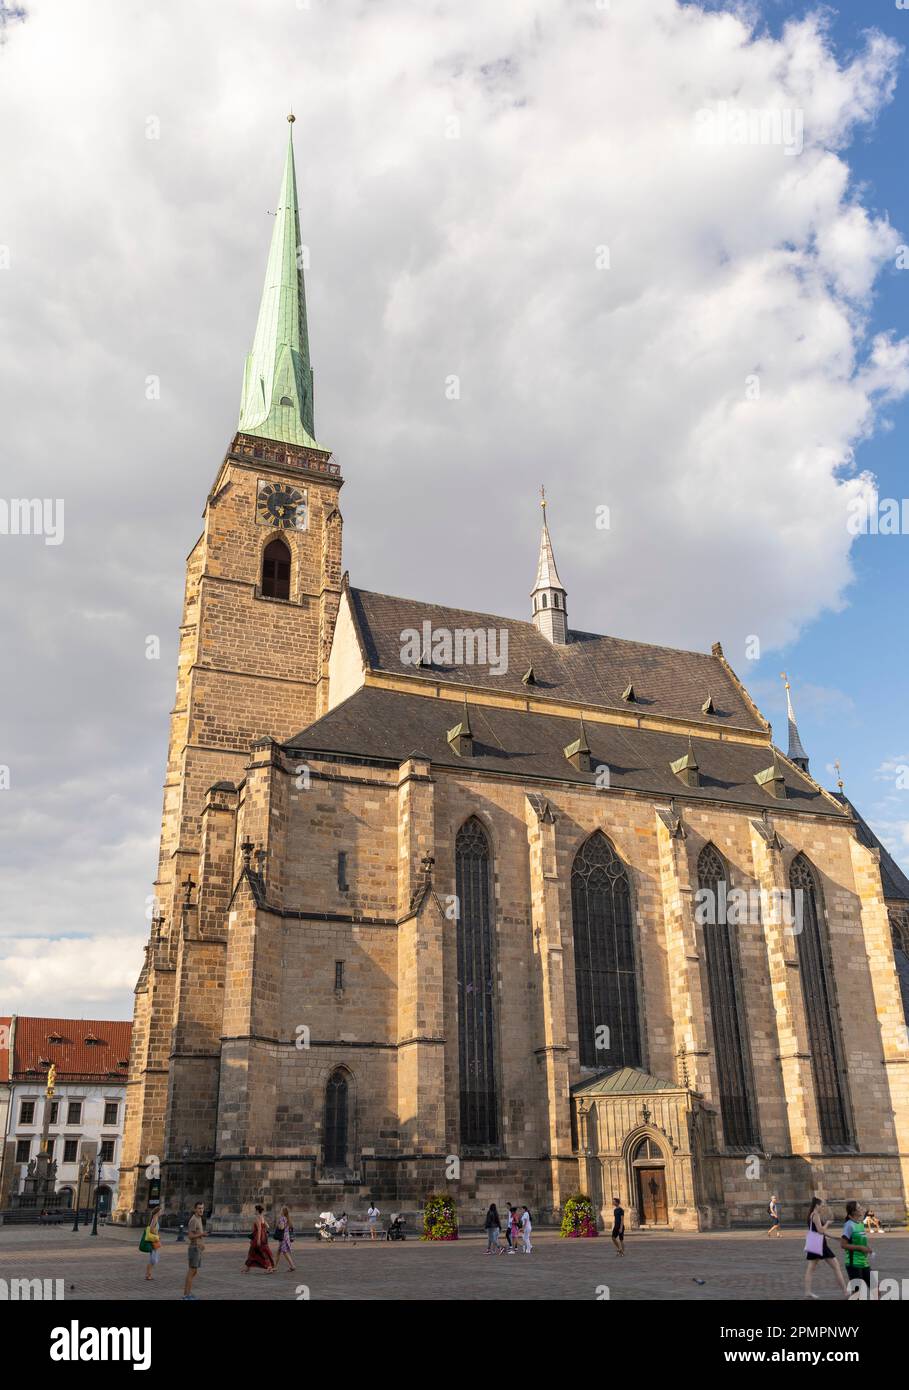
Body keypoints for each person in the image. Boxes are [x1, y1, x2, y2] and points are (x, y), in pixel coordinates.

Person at [804, 1197, 847, 1299]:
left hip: (817, 1244)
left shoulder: (811, 1215)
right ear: (816, 1205)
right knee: (836, 1266)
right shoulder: (816, 1215)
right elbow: (820, 1231)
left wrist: (835, 1238)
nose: (822, 1207)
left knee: (811, 1269)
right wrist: (827, 1223)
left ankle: (807, 1292)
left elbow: (819, 1231)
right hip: (820, 1245)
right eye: (821, 1205)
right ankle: (845, 1292)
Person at [841, 1200, 874, 1299]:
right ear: (853, 1212)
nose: (862, 1209)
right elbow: (843, 1245)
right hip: (853, 1263)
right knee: (857, 1293)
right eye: (859, 1208)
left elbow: (861, 1240)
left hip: (864, 1262)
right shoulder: (849, 1225)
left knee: (875, 1288)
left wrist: (868, 1248)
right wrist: (860, 1248)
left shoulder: (860, 1224)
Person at [243, 1204, 276, 1273]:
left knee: (256, 1252)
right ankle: (247, 1268)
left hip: (258, 1237)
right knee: (257, 1251)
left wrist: (258, 1239)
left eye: (255, 1210)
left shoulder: (257, 1217)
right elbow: (268, 1226)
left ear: (257, 1210)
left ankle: (269, 1267)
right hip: (264, 1237)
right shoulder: (262, 1217)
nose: (254, 1211)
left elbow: (259, 1229)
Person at [183, 1201, 206, 1300]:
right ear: (195, 1209)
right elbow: (190, 1236)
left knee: (194, 1272)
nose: (201, 1210)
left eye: (202, 1208)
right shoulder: (193, 1220)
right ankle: (186, 1295)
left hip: (198, 1249)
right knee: (191, 1272)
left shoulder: (199, 1218)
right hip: (194, 1249)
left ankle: (187, 1293)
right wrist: (202, 1234)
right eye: (199, 1208)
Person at [144, 1205, 162, 1282]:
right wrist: (157, 1235)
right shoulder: (155, 1218)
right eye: (161, 1211)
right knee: (152, 1259)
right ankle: (148, 1274)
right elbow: (151, 1229)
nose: (162, 1212)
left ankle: (149, 1274)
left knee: (153, 1258)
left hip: (155, 1239)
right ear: (158, 1212)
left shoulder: (156, 1218)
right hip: (154, 1239)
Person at [275, 1205, 296, 1272]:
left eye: (281, 1210)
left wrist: (278, 1225)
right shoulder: (287, 1218)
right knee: (279, 1252)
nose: (280, 1211)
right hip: (286, 1236)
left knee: (284, 1252)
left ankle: (292, 1266)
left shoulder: (282, 1218)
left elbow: (282, 1227)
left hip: (283, 1237)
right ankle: (274, 1266)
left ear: (283, 1212)